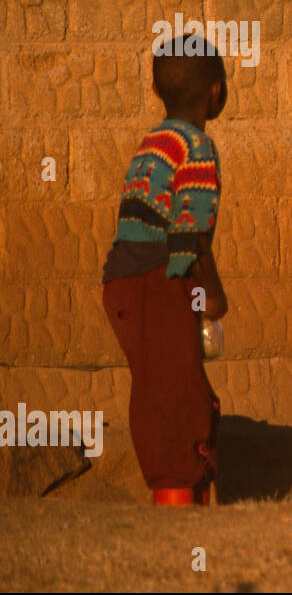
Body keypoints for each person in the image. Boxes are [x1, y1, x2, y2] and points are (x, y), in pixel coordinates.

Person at [101, 36, 228, 505]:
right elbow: (190, 235)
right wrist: (213, 297)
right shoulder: (196, 147)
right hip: (160, 283)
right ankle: (178, 541)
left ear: (157, 91)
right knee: (178, 410)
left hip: (124, 287)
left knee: (171, 393)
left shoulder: (153, 143)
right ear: (216, 92)